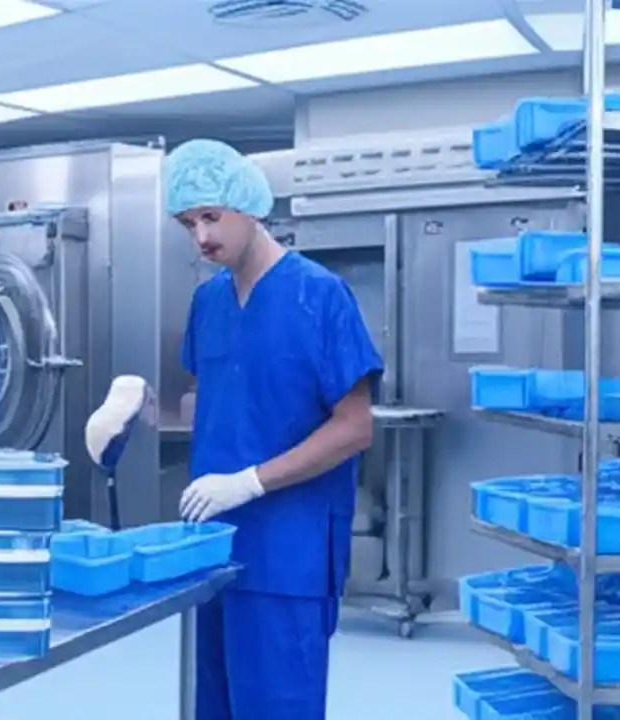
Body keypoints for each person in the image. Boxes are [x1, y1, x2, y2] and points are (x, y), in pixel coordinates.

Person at [166, 138, 383, 720]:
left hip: (288, 551)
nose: (201, 237)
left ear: (248, 203)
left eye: (211, 216)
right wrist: (132, 412)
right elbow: (214, 399)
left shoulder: (319, 295)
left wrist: (251, 482)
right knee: (214, 704)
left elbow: (354, 427)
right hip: (212, 545)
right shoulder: (207, 302)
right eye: (188, 223)